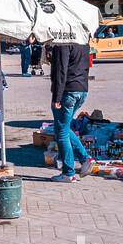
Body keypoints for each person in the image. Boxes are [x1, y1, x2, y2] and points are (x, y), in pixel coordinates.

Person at [48, 39, 94, 182]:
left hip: (68, 92)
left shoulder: (63, 44)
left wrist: (57, 96)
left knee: (61, 132)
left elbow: (61, 71)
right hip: (82, 89)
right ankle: (85, 159)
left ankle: (68, 172)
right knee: (63, 127)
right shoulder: (83, 43)